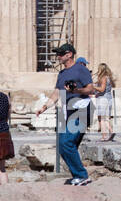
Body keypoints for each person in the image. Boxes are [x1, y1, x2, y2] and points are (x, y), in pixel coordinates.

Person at [35, 43, 95, 185]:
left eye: (61, 54)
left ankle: (82, 175)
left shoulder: (81, 69)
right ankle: (78, 175)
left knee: (66, 142)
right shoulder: (62, 74)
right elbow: (57, 93)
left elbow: (90, 89)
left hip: (82, 109)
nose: (58, 57)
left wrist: (76, 91)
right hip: (68, 111)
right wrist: (44, 107)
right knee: (63, 146)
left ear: (69, 55)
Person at [94, 63, 117, 141]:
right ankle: (111, 131)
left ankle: (104, 136)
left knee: (102, 118)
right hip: (109, 98)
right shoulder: (109, 78)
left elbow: (102, 89)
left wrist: (93, 86)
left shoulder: (103, 78)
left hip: (103, 99)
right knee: (106, 118)